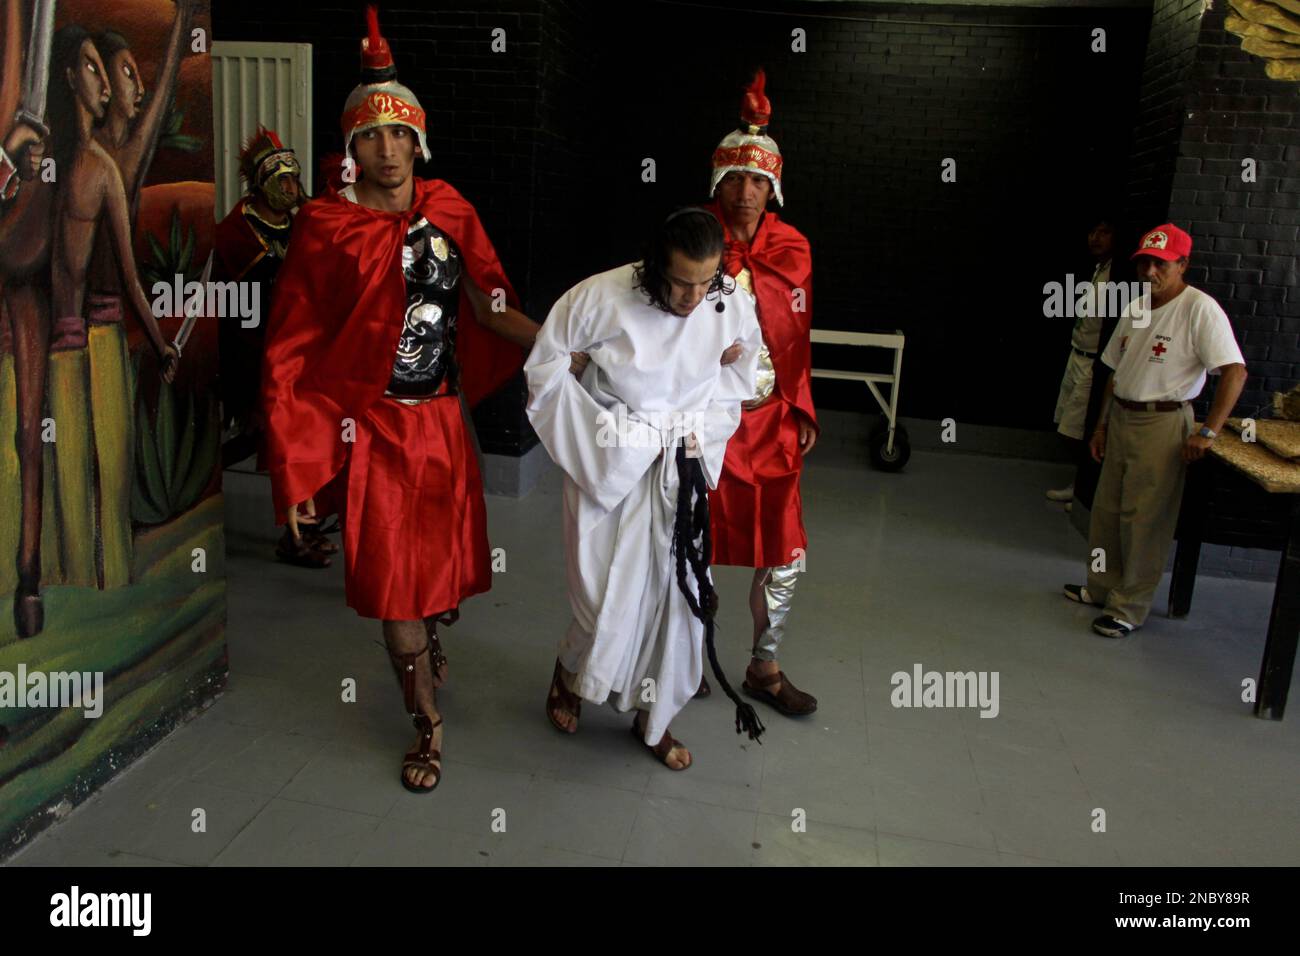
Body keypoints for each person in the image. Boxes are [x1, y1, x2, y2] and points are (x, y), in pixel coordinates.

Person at [261, 7, 538, 792]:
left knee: (440, 578)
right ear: (351, 149)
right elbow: (290, 348)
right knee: (392, 587)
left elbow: (487, 303)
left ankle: (429, 638)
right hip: (374, 429)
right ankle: (427, 722)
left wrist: (561, 346)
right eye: (370, 137)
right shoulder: (325, 228)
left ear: (419, 139)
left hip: (442, 425)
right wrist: (296, 467)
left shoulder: (450, 211)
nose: (388, 150)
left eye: (399, 134)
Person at [527, 207, 766, 771]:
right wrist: (588, 395)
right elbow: (545, 367)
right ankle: (569, 671)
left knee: (674, 601)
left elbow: (746, 374)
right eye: (681, 281)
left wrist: (703, 414)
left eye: (704, 281)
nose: (692, 297)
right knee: (599, 597)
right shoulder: (601, 295)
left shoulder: (726, 299)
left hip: (680, 466)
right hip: (612, 458)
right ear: (654, 264)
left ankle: (652, 720)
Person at [700, 71, 819, 716]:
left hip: (770, 420)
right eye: (735, 179)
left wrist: (801, 406)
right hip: (705, 422)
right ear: (717, 182)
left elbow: (796, 337)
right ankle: (687, 651)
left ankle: (764, 666)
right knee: (691, 542)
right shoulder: (691, 240)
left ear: (773, 186)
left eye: (758, 180)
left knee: (784, 550)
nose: (746, 193)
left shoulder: (792, 247)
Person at [1064, 223, 1247, 637]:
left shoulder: (1199, 308)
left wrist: (1209, 432)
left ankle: (1129, 607)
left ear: (1183, 264)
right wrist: (1101, 425)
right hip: (1123, 416)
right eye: (1145, 262)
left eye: (1160, 264)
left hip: (1163, 421)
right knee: (1107, 511)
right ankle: (1101, 587)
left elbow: (1234, 372)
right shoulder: (1137, 306)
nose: (1150, 271)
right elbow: (1115, 371)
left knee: (1145, 518)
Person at [212, 127, 325, 562]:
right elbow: (238, 310)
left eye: (295, 179)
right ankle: (295, 536)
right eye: (282, 181)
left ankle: (305, 530)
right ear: (261, 185)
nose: (292, 188)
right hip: (255, 354)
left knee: (305, 448)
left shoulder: (303, 222)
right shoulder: (236, 233)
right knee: (283, 447)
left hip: (303, 354)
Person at [1047, 217, 1121, 510]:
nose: (1095, 238)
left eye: (1104, 232)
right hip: (1077, 352)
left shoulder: (1118, 274)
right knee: (1064, 422)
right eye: (1092, 232)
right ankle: (1080, 482)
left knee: (1075, 428)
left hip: (1093, 362)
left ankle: (1087, 486)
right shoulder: (1098, 270)